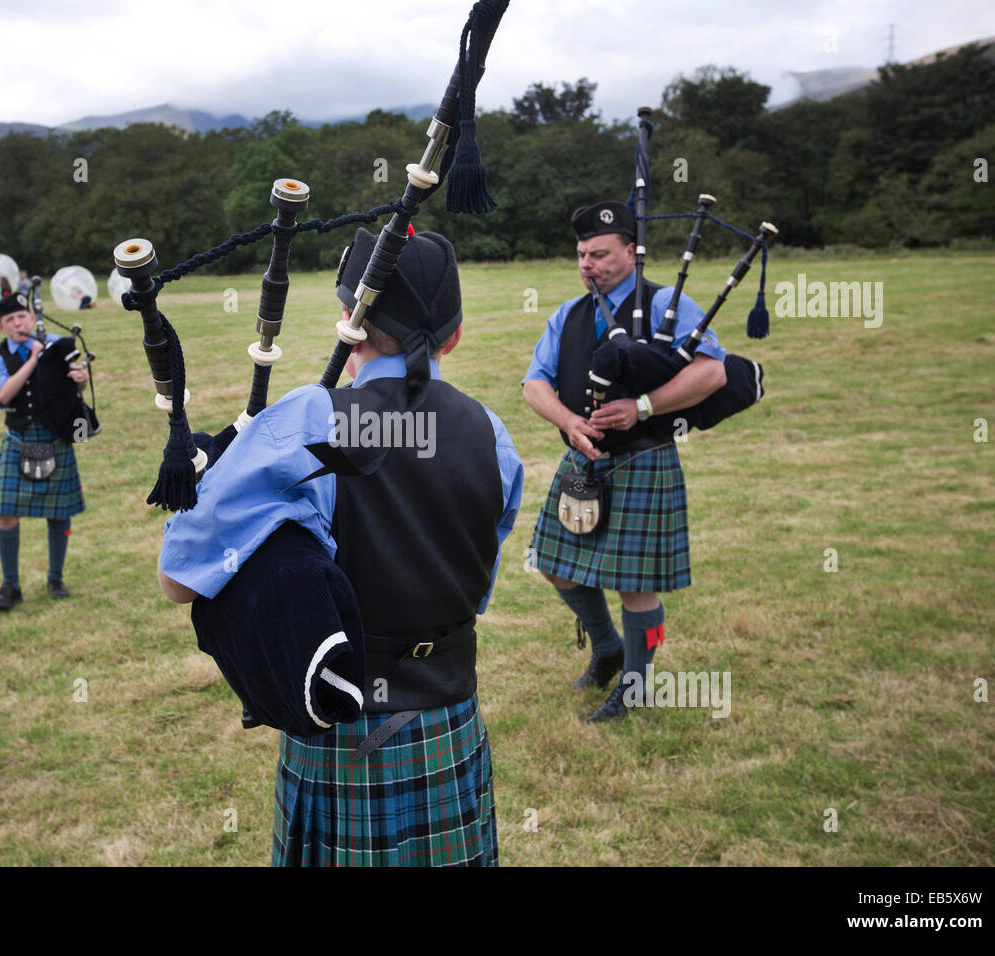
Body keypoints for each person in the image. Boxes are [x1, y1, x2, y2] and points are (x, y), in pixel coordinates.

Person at [158, 228, 523, 866]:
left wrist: (219, 471)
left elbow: (180, 579)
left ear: (349, 325)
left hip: (341, 722)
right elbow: (475, 591)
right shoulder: (493, 436)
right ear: (453, 337)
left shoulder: (310, 419)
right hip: (450, 713)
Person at [522, 201, 726, 723]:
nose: (587, 264)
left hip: (643, 460)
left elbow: (712, 373)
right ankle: (608, 647)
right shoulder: (569, 313)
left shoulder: (666, 304)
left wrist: (643, 407)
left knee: (637, 583)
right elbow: (534, 382)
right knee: (553, 566)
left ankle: (636, 685)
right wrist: (568, 421)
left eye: (599, 254)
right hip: (582, 459)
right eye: (581, 255)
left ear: (631, 254)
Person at [0, 292, 88, 610]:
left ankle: (55, 579)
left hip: (55, 437)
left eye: (22, 316)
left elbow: (76, 382)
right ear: (1, 326)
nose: (18, 323)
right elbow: (3, 395)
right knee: (4, 512)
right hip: (19, 439)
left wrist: (81, 378)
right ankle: (10, 586)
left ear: (31, 317)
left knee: (59, 512)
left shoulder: (55, 342)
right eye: (10, 320)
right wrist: (32, 360)